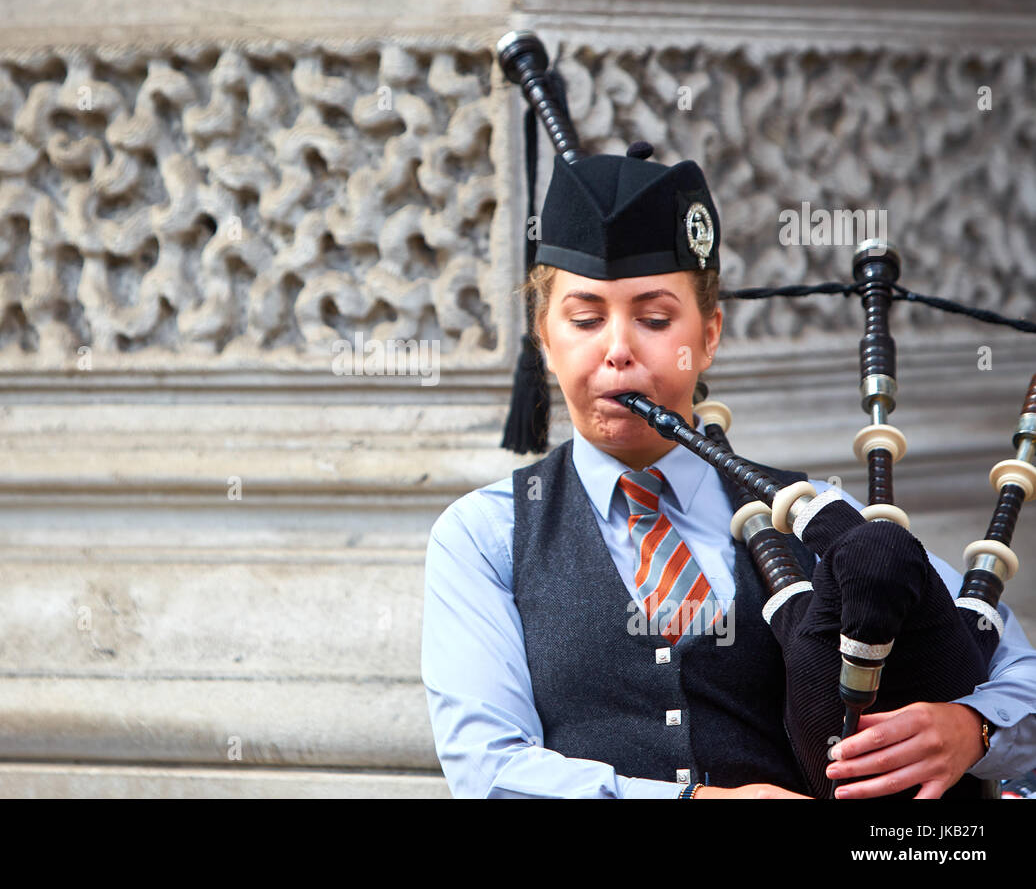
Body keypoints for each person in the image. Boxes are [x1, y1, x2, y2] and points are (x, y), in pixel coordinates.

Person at [420, 142, 1036, 798]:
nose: (618, 351)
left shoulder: (808, 513)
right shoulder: (487, 536)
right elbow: (489, 769)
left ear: (709, 334)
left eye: (655, 318)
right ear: (544, 335)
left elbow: (1016, 673)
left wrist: (972, 728)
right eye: (585, 318)